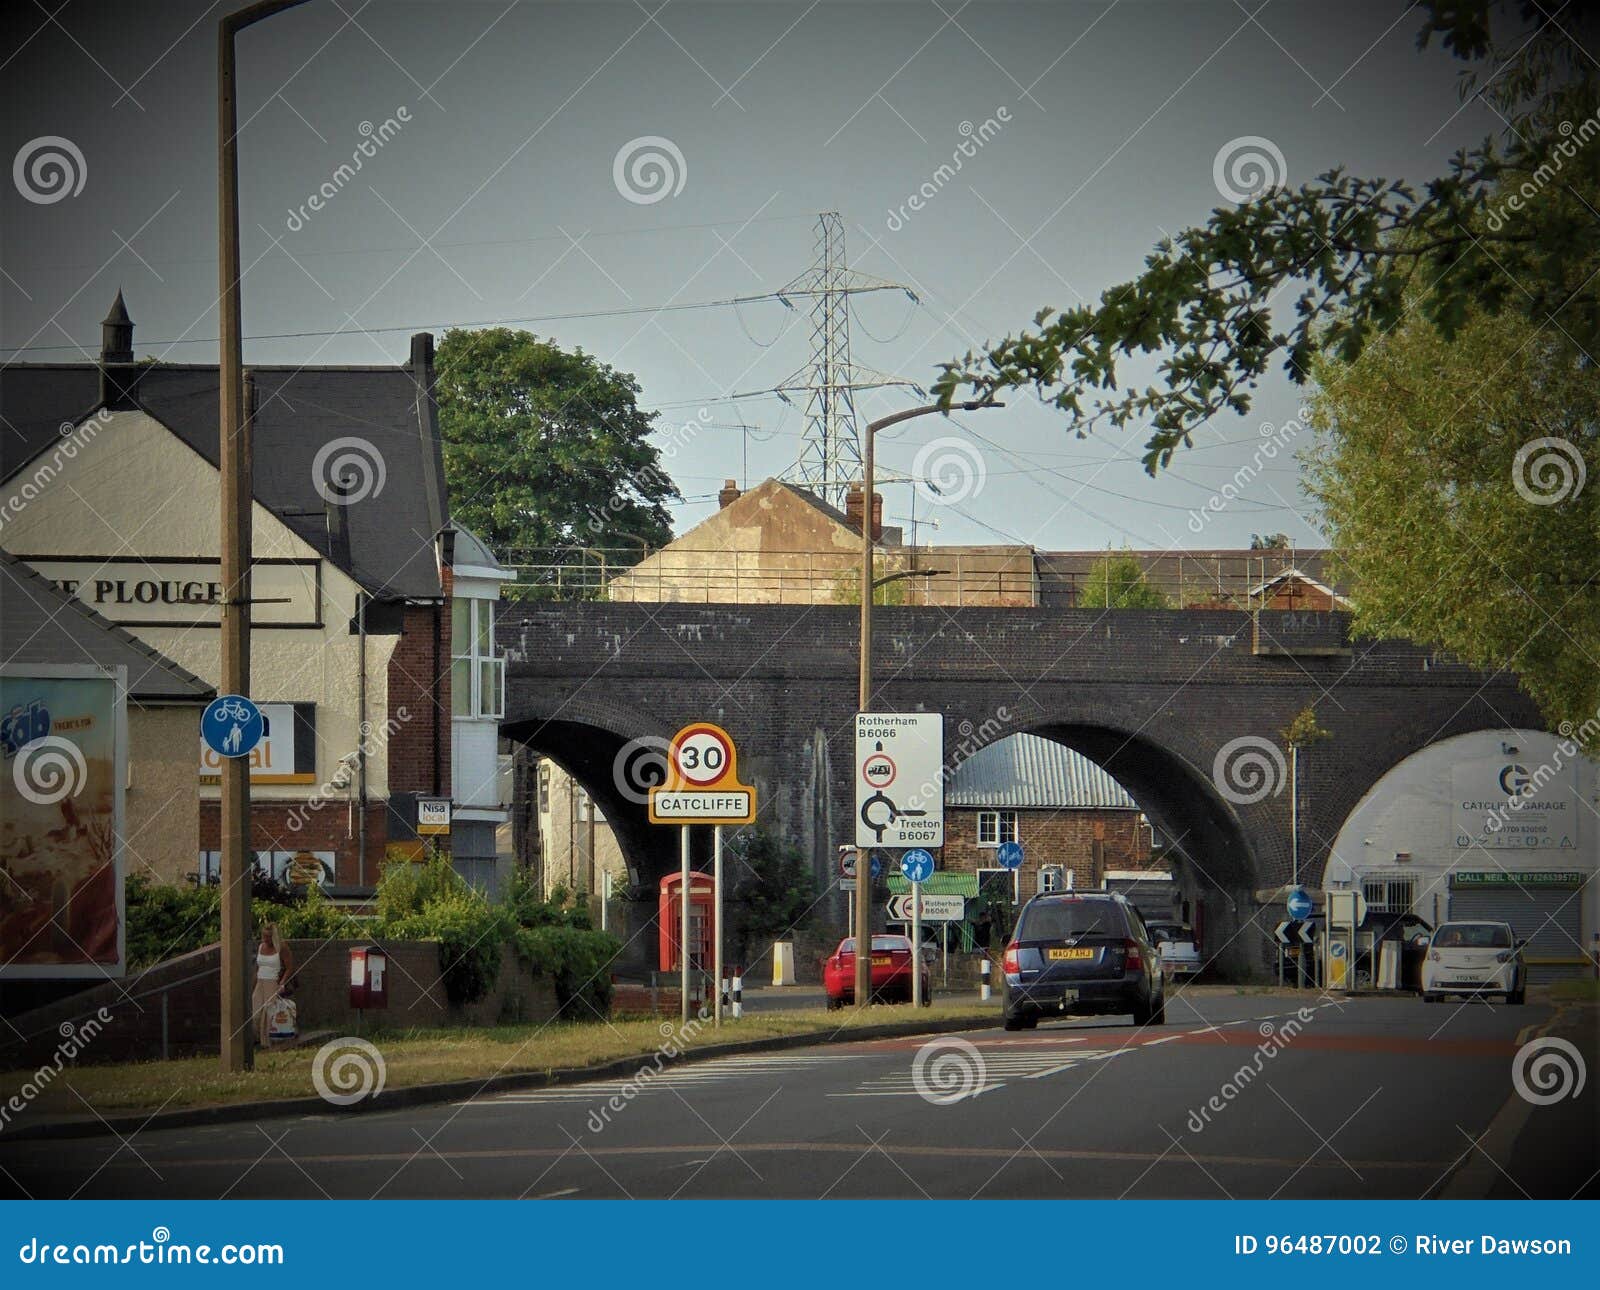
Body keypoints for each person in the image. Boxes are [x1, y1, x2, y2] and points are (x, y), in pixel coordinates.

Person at [253, 923, 294, 1048]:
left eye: (268, 937)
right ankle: (257, 1039)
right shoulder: (261, 947)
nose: (265, 939)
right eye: (263, 936)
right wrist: (253, 984)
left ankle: (267, 1042)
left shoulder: (281, 947)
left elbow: (289, 967)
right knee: (256, 1012)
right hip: (260, 981)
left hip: (273, 981)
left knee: (269, 1013)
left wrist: (282, 983)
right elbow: (257, 967)